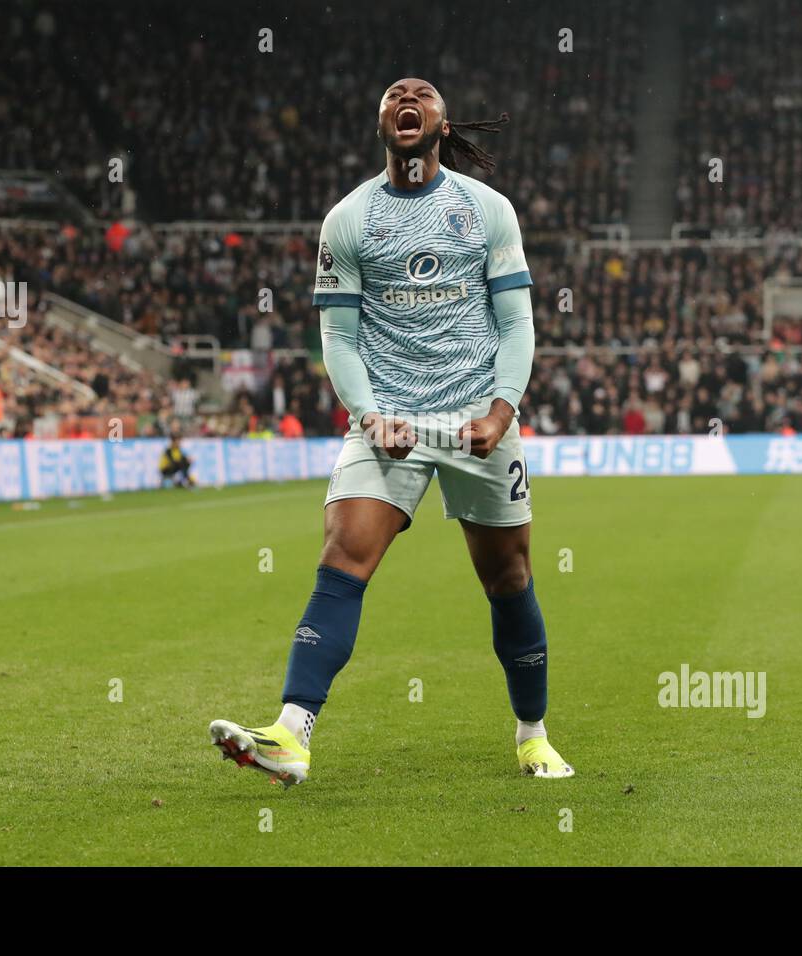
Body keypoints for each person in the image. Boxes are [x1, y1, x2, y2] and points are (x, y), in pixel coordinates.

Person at [210, 77, 572, 787]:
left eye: (422, 93)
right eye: (393, 94)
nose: (406, 98)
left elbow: (517, 322)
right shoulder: (348, 219)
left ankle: (533, 736)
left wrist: (501, 409)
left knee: (509, 576)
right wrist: (371, 412)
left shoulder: (485, 210)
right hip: (390, 418)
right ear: (382, 123)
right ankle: (291, 734)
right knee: (344, 554)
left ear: (441, 122)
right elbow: (339, 339)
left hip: (476, 416)